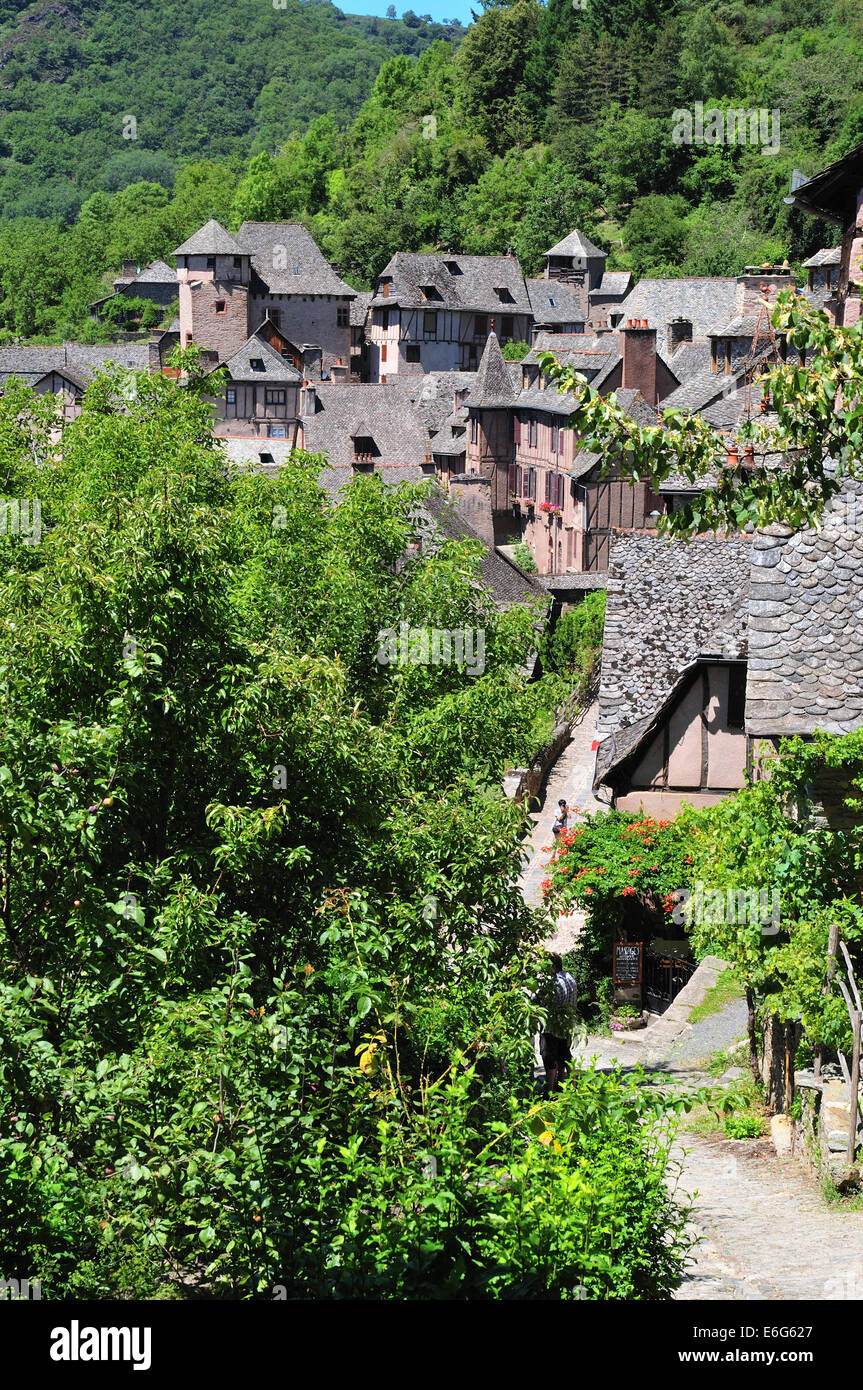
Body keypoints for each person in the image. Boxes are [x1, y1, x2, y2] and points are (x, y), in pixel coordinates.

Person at [537, 953, 578, 1094]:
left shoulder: (553, 984)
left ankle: (549, 1092)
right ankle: (569, 1086)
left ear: (553, 967)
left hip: (552, 1027)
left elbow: (546, 1006)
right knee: (565, 1055)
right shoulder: (570, 978)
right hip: (567, 1024)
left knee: (549, 1058)